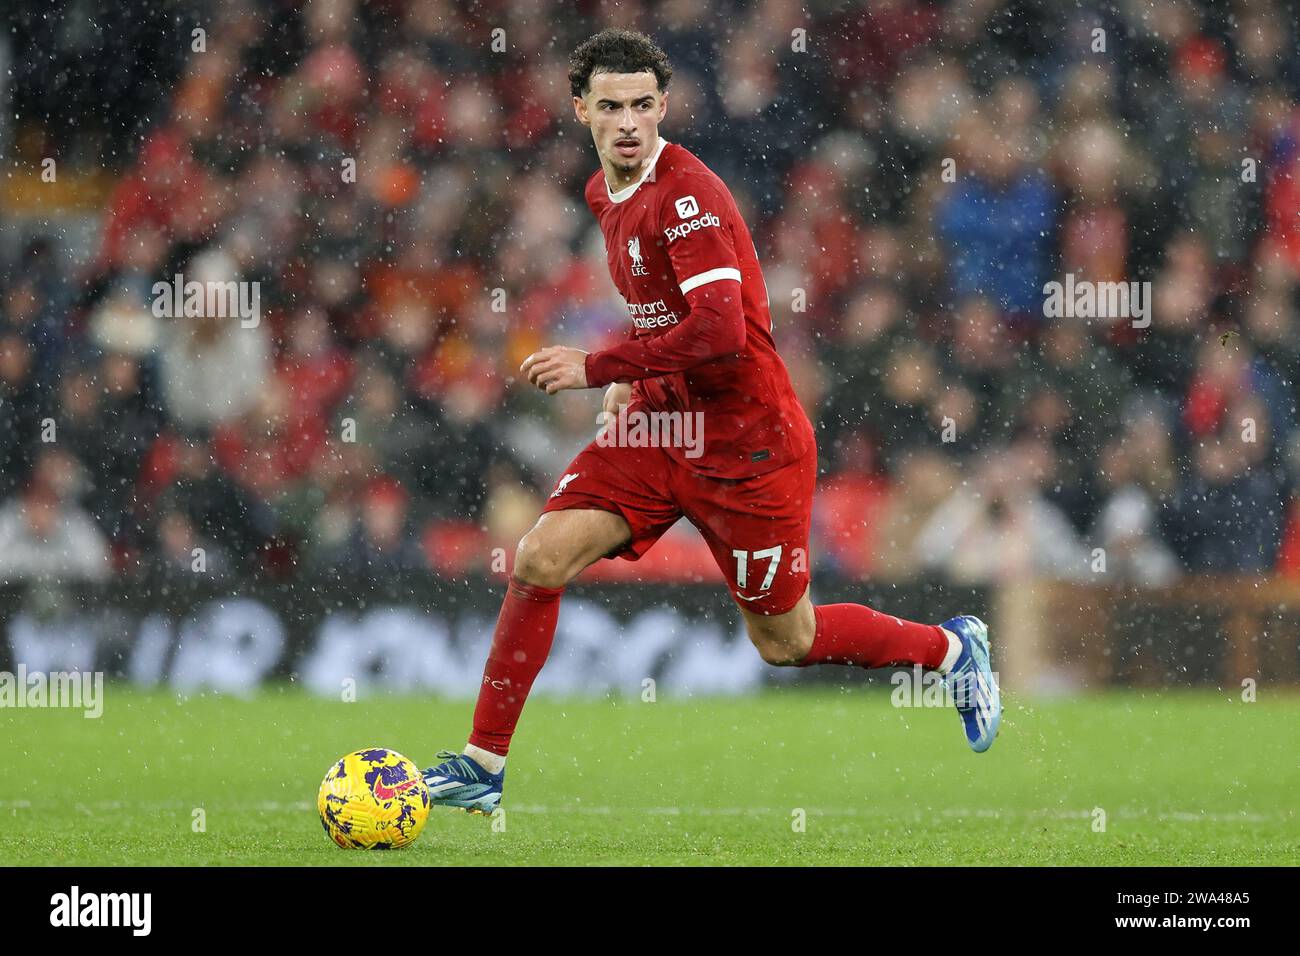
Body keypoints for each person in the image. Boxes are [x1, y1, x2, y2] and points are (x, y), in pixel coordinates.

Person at [422, 29, 1000, 813]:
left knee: (784, 642)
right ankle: (481, 768)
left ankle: (950, 649)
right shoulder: (603, 194)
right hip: (664, 426)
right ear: (580, 110)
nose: (628, 121)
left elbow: (721, 328)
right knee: (539, 556)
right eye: (611, 106)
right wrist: (640, 382)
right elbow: (663, 311)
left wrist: (601, 367)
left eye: (642, 105)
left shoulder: (686, 196)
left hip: (747, 444)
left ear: (662, 106)